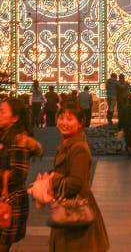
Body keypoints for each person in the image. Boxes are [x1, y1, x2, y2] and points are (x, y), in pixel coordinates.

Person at [0, 98, 43, 252]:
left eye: (2, 112)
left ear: (15, 118)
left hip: (10, 202)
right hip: (1, 198)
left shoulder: (18, 139)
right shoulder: (4, 134)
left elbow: (19, 174)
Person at [48, 100, 110, 251]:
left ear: (80, 123)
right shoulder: (67, 145)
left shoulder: (78, 148)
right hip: (67, 210)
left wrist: (52, 180)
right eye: (61, 118)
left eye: (70, 119)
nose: (64, 122)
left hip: (76, 212)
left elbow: (75, 183)